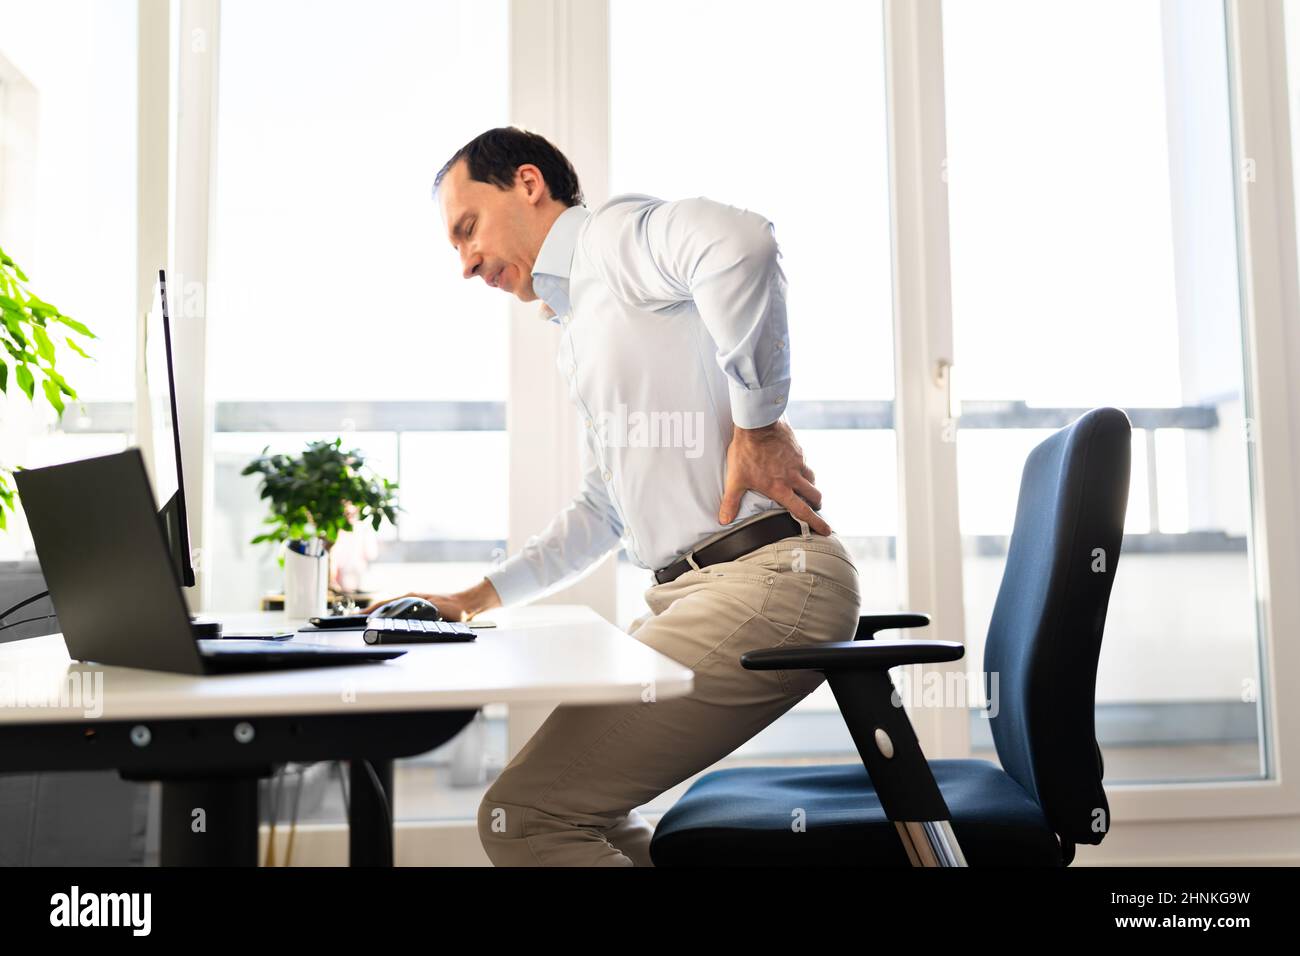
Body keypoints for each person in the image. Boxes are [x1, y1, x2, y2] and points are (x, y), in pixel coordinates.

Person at [366, 126, 861, 865]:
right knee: (580, 816)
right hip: (703, 592)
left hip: (765, 583)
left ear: (529, 184)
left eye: (467, 230)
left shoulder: (613, 240)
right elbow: (603, 510)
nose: (465, 264)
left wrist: (758, 423)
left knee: (523, 816)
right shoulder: (579, 325)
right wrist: (470, 600)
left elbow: (743, 244)